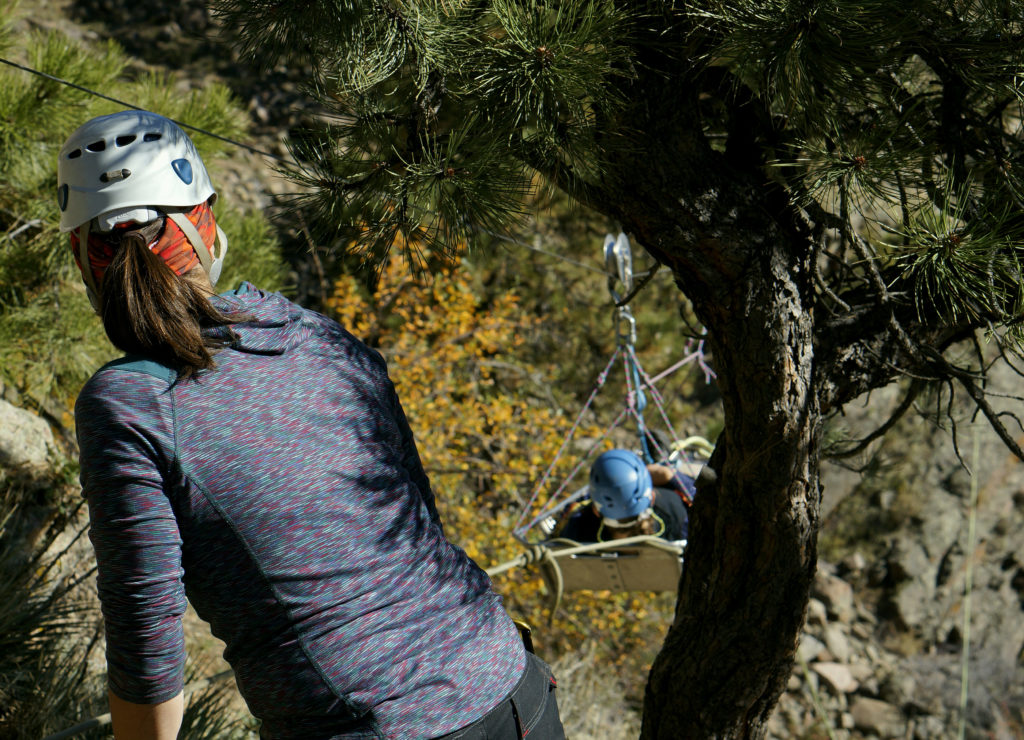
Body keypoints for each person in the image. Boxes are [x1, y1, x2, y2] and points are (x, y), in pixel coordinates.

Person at [59, 110, 564, 740]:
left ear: (84, 260)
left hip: (370, 724)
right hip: (509, 684)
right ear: (206, 223)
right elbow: (415, 519)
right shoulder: (317, 334)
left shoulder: (128, 402)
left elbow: (147, 642)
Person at [554, 448, 694, 543]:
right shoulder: (675, 510)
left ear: (596, 510)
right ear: (651, 496)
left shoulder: (580, 528)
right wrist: (670, 477)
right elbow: (696, 497)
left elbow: (564, 525)